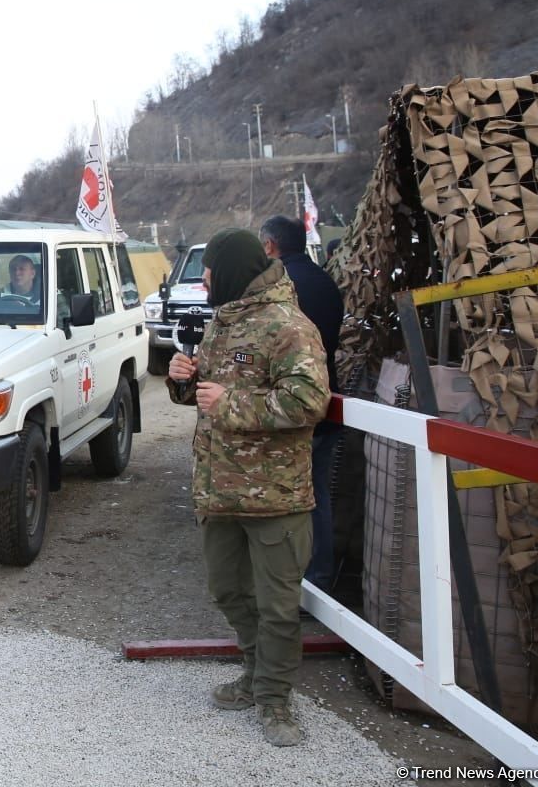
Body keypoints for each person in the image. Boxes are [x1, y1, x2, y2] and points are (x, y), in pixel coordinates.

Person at [167, 228, 330, 747]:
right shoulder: (223, 319)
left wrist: (230, 404)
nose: (206, 280)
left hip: (275, 497)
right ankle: (256, 676)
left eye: (210, 271)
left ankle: (276, 701)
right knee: (228, 591)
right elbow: (203, 396)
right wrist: (182, 379)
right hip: (219, 491)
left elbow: (309, 403)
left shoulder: (290, 327)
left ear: (234, 269)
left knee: (278, 606)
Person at [260, 215, 344, 594]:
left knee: (286, 501)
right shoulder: (325, 280)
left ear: (270, 246)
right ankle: (320, 579)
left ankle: (294, 581)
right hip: (327, 403)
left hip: (292, 408)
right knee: (318, 496)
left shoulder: (281, 288)